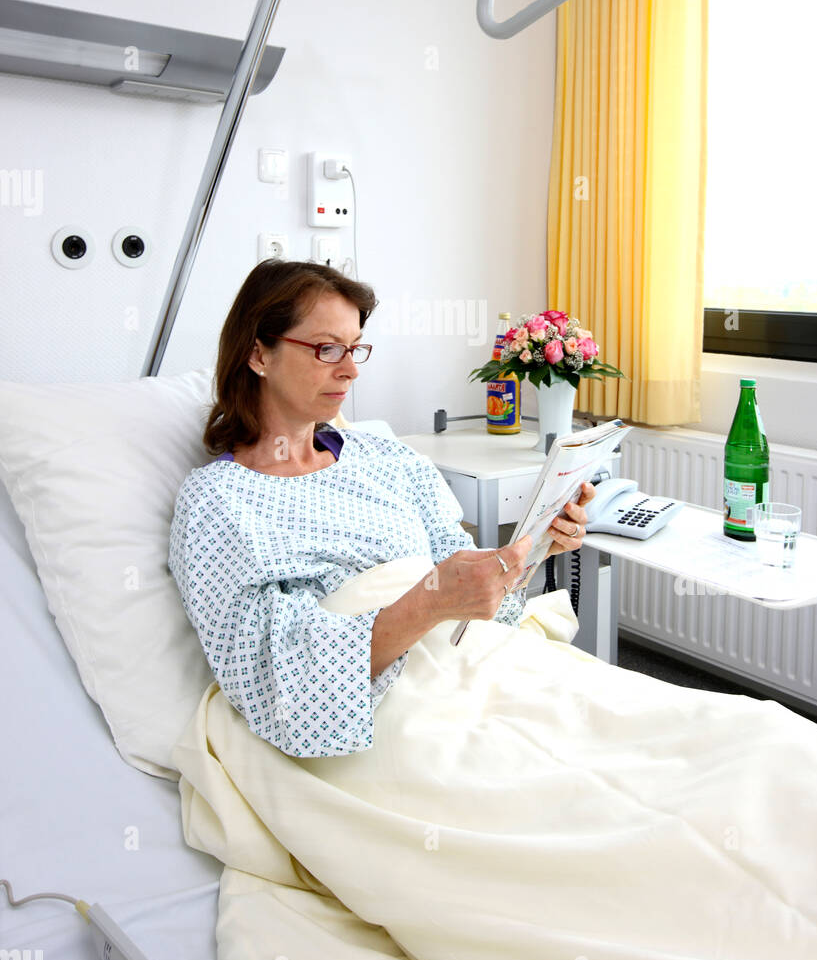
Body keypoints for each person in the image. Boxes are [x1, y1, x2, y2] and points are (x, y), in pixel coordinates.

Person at [168, 259, 594, 759]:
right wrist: (430, 602)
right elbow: (268, 679)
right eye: (327, 349)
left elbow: (478, 598)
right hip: (380, 723)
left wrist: (537, 543)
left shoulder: (386, 459)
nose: (348, 370)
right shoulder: (216, 504)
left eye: (354, 350)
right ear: (258, 353)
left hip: (466, 670)